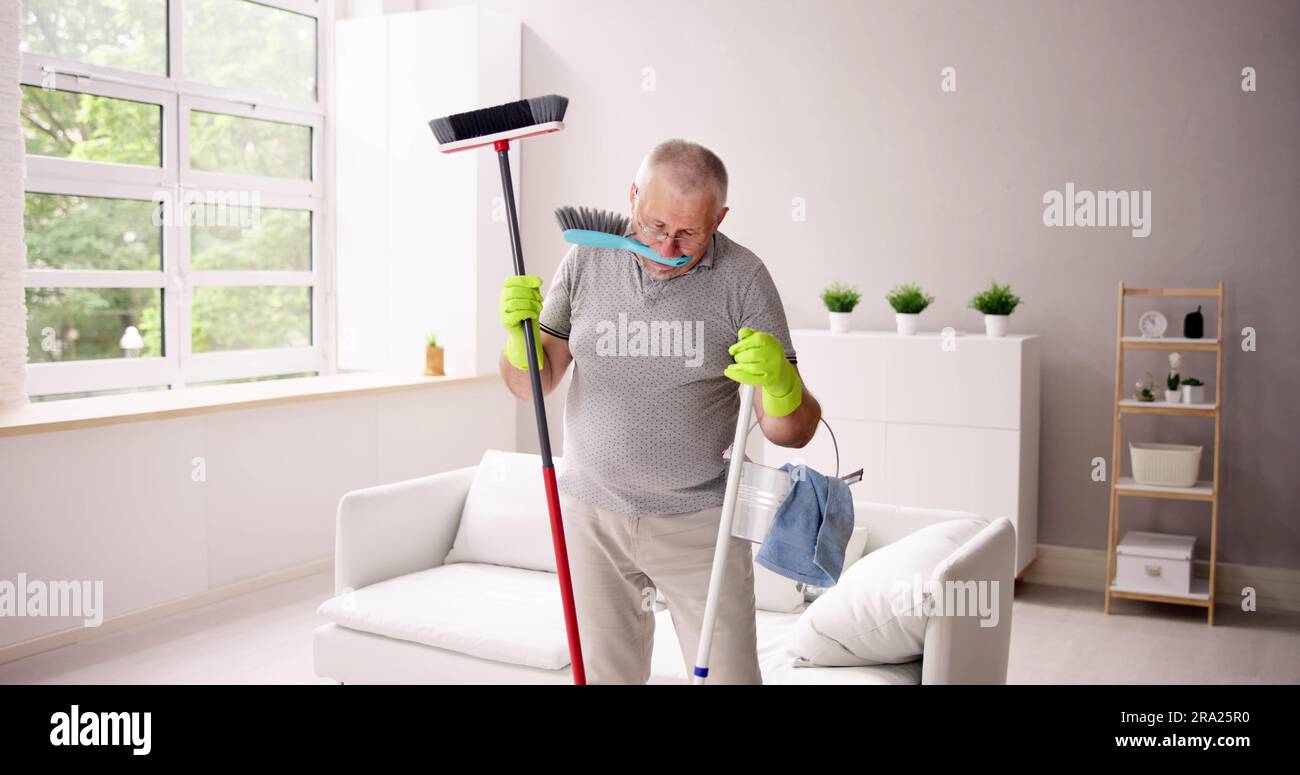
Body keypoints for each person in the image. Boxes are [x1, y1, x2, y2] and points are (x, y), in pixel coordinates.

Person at [497, 138, 821, 684]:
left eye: (689, 233)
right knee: (608, 677)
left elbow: (792, 432)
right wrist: (516, 341)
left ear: (719, 218)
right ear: (632, 199)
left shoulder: (744, 279)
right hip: (591, 517)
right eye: (654, 227)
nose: (668, 248)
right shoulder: (586, 258)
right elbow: (535, 382)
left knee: (729, 678)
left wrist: (782, 383)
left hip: (700, 526)